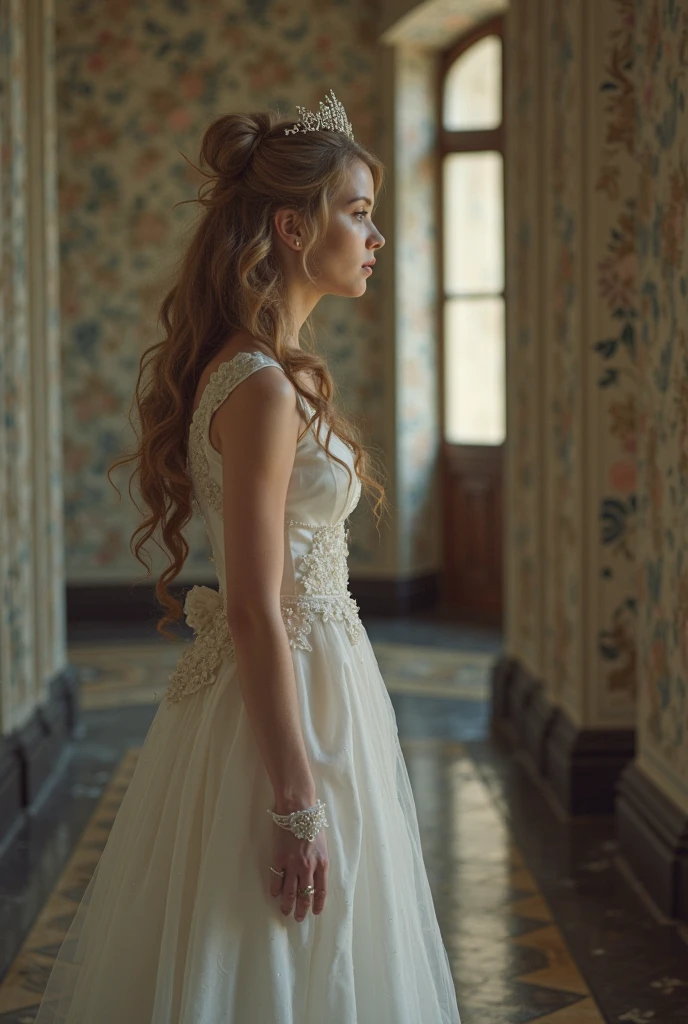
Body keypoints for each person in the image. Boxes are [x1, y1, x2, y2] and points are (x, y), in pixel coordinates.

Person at [33, 90, 462, 1023]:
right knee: (279, 940)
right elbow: (253, 607)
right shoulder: (261, 387)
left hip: (311, 675)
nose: (375, 236)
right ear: (292, 227)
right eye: (358, 212)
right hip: (289, 689)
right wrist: (297, 801)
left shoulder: (263, 367)